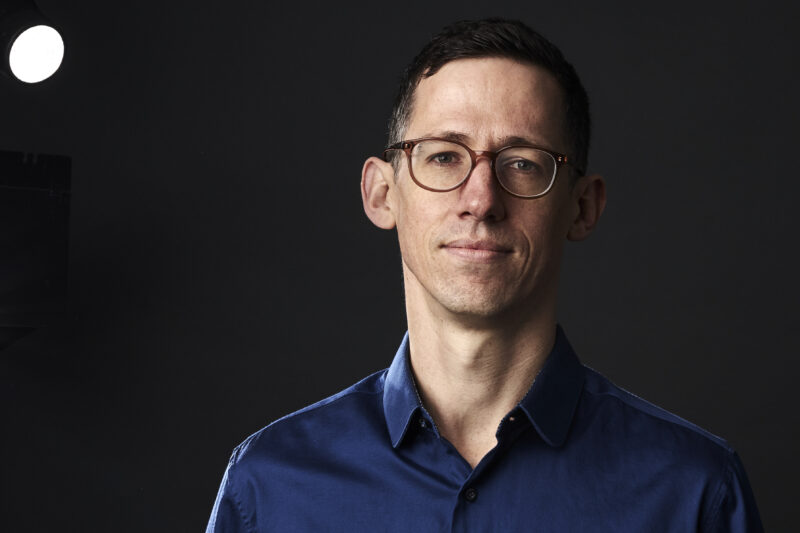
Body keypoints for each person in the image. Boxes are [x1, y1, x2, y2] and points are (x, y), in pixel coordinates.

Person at [206, 18, 762, 532]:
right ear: (382, 194)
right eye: (444, 156)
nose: (481, 200)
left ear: (583, 207)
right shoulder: (270, 486)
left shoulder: (694, 492)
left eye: (523, 162)